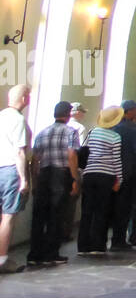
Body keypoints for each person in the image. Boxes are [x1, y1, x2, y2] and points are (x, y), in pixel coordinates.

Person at [27, 100, 81, 267]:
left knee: (39, 215)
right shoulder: (71, 132)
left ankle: (34, 254)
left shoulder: (42, 132)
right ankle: (51, 253)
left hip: (44, 174)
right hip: (61, 174)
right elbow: (71, 155)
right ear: (68, 114)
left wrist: (35, 181)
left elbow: (35, 159)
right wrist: (74, 178)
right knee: (56, 215)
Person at [78, 106, 124, 255]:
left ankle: (83, 246)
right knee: (102, 211)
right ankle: (97, 245)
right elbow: (116, 160)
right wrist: (119, 180)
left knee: (87, 211)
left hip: (90, 174)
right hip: (107, 176)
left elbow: (84, 151)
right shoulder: (115, 137)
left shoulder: (92, 132)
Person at [0, 84, 32, 275]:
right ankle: (2, 258)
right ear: (24, 99)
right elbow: (20, 152)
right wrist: (24, 179)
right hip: (11, 170)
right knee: (8, 217)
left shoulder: (1, 115)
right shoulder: (18, 119)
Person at [109, 101, 136, 251]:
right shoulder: (133, 129)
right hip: (128, 172)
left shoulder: (112, 126)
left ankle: (101, 241)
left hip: (109, 172)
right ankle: (119, 240)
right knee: (125, 207)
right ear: (130, 111)